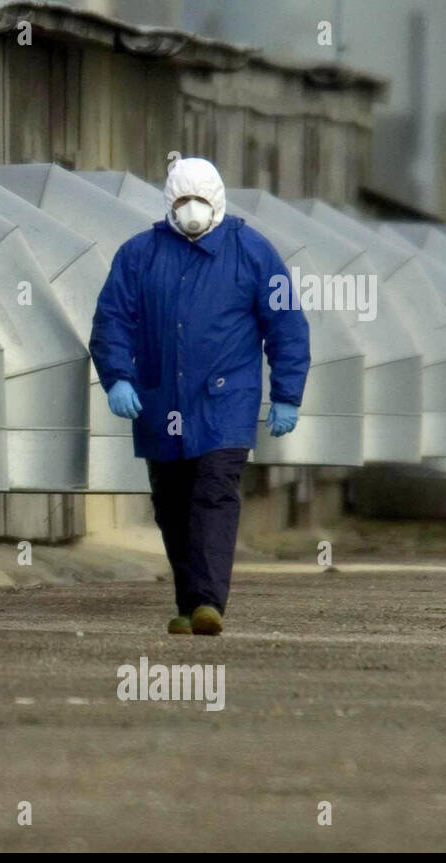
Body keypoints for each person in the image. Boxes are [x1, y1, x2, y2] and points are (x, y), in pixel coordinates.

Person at [89, 157, 310, 636]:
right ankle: (190, 605)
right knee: (172, 502)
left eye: (202, 201)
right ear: (170, 202)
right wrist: (117, 377)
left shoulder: (252, 252)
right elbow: (112, 321)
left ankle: (209, 602)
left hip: (225, 403)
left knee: (213, 491)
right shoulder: (138, 254)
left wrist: (287, 394)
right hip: (159, 401)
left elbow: (286, 325)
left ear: (218, 201)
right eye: (184, 201)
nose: (193, 210)